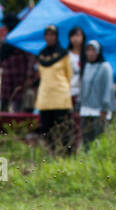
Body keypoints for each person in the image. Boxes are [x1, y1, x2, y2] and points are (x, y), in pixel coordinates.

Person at [35, 25, 74, 154]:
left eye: (52, 35)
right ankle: (50, 152)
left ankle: (66, 153)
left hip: (60, 96)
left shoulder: (64, 54)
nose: (49, 37)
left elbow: (70, 75)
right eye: (47, 35)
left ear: (56, 37)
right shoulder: (40, 55)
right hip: (45, 96)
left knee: (63, 127)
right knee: (46, 127)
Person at [78, 40, 114, 149]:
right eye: (88, 50)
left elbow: (108, 88)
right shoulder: (87, 66)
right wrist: (79, 103)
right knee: (86, 140)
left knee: (99, 139)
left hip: (99, 110)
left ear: (98, 52)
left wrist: (105, 107)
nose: (90, 53)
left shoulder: (105, 67)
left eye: (93, 50)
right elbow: (83, 87)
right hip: (86, 109)